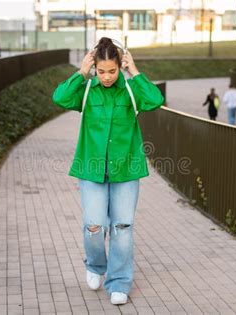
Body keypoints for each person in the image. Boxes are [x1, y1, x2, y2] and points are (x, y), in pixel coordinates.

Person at [52, 37, 164, 305]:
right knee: (94, 226)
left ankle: (119, 282)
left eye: (111, 71)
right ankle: (95, 265)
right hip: (92, 169)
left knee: (122, 227)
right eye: (101, 71)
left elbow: (155, 99)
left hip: (125, 169)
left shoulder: (129, 88)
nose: (106, 77)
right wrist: (81, 72)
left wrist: (134, 71)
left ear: (120, 66)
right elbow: (60, 97)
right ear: (94, 67)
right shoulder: (88, 89)